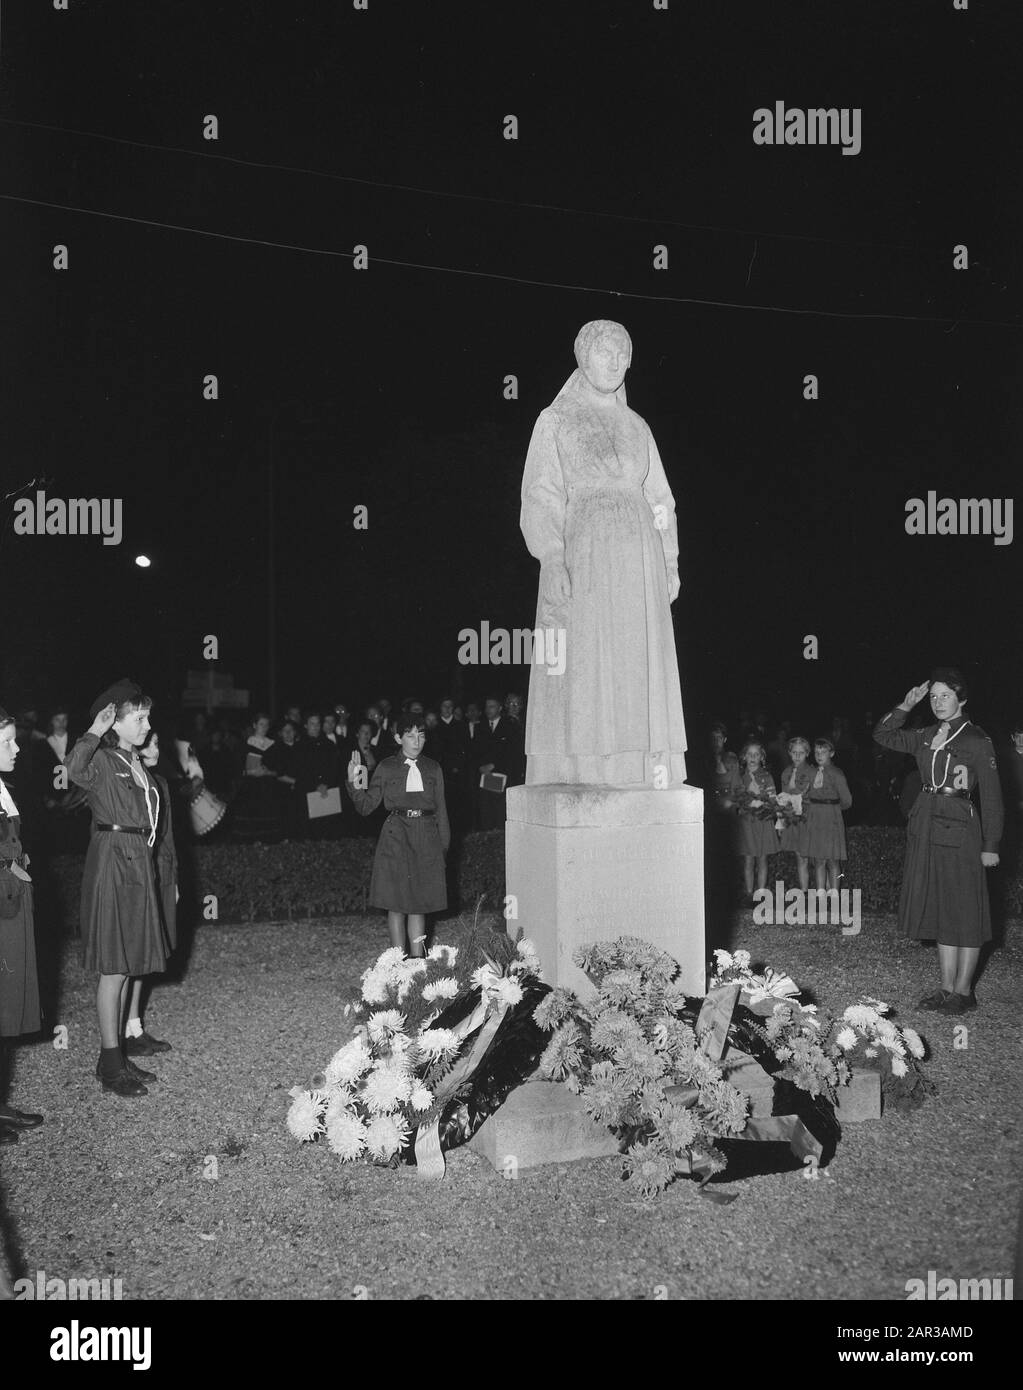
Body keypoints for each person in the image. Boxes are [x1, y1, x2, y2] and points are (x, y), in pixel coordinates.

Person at [519, 319, 686, 786]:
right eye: (603, 352)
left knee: (637, 660)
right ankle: (584, 767)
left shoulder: (638, 426)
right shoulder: (556, 420)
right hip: (585, 552)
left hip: (640, 558)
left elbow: (661, 501)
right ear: (581, 356)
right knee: (584, 662)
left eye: (621, 354)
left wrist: (669, 561)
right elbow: (540, 494)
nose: (613, 363)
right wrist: (551, 555)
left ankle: (640, 766)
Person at [874, 671, 1003, 1015]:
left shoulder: (977, 739)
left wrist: (991, 844)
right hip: (928, 822)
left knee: (965, 908)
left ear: (961, 699)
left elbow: (991, 797)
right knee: (943, 906)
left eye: (945, 696)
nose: (938, 702)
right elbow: (883, 734)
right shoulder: (925, 734)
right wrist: (906, 703)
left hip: (961, 826)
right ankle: (946, 988)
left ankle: (964, 990)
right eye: (933, 697)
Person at [65, 680, 170, 1097]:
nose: (146, 724)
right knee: (113, 969)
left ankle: (117, 1054)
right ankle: (111, 1067)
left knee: (126, 966)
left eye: (146, 716)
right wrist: (93, 729)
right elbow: (72, 769)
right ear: (116, 722)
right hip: (113, 860)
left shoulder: (133, 761)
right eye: (139, 718)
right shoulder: (104, 760)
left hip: (136, 861)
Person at [346, 712, 450, 957]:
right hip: (396, 836)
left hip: (425, 836)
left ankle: (417, 964)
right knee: (396, 903)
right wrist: (354, 783)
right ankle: (396, 962)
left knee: (418, 903)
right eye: (410, 735)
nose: (417, 741)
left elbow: (442, 812)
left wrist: (442, 849)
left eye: (421, 735)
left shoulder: (433, 768)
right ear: (397, 737)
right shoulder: (386, 767)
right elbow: (366, 806)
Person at [0, 707, 44, 1144]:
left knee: (4, 1009)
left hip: (10, 907)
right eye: (8, 741)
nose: (17, 747)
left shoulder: (3, 788)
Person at [122, 730, 178, 1057]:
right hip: (139, 875)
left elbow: (167, 837)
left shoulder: (160, 783)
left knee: (147, 955)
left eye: (157, 741)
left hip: (160, 873)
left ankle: (135, 1028)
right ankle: (122, 1036)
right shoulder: (131, 784)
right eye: (150, 743)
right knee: (133, 955)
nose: (156, 747)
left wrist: (174, 880)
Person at [805, 738, 852, 894]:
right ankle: (820, 895)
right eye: (817, 752)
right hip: (816, 818)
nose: (819, 755)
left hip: (831, 818)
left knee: (833, 859)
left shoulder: (837, 774)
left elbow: (847, 800)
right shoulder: (811, 773)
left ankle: (834, 894)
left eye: (823, 752)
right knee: (818, 859)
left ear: (831, 753)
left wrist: (834, 810)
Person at [737, 740, 777, 901]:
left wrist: (762, 801)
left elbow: (773, 800)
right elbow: (737, 799)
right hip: (747, 823)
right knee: (748, 858)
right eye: (750, 754)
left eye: (756, 754)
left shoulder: (767, 776)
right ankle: (748, 893)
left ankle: (760, 893)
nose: (753, 757)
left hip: (763, 821)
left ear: (762, 757)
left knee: (762, 858)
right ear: (744, 757)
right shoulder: (740, 777)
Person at [778, 736, 815, 890]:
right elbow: (782, 799)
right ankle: (805, 893)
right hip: (793, 820)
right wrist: (780, 822)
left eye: (801, 752)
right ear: (789, 753)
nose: (797, 756)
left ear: (807, 753)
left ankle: (826, 894)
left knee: (818, 858)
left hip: (810, 819)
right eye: (794, 752)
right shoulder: (786, 773)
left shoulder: (812, 772)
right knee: (801, 857)